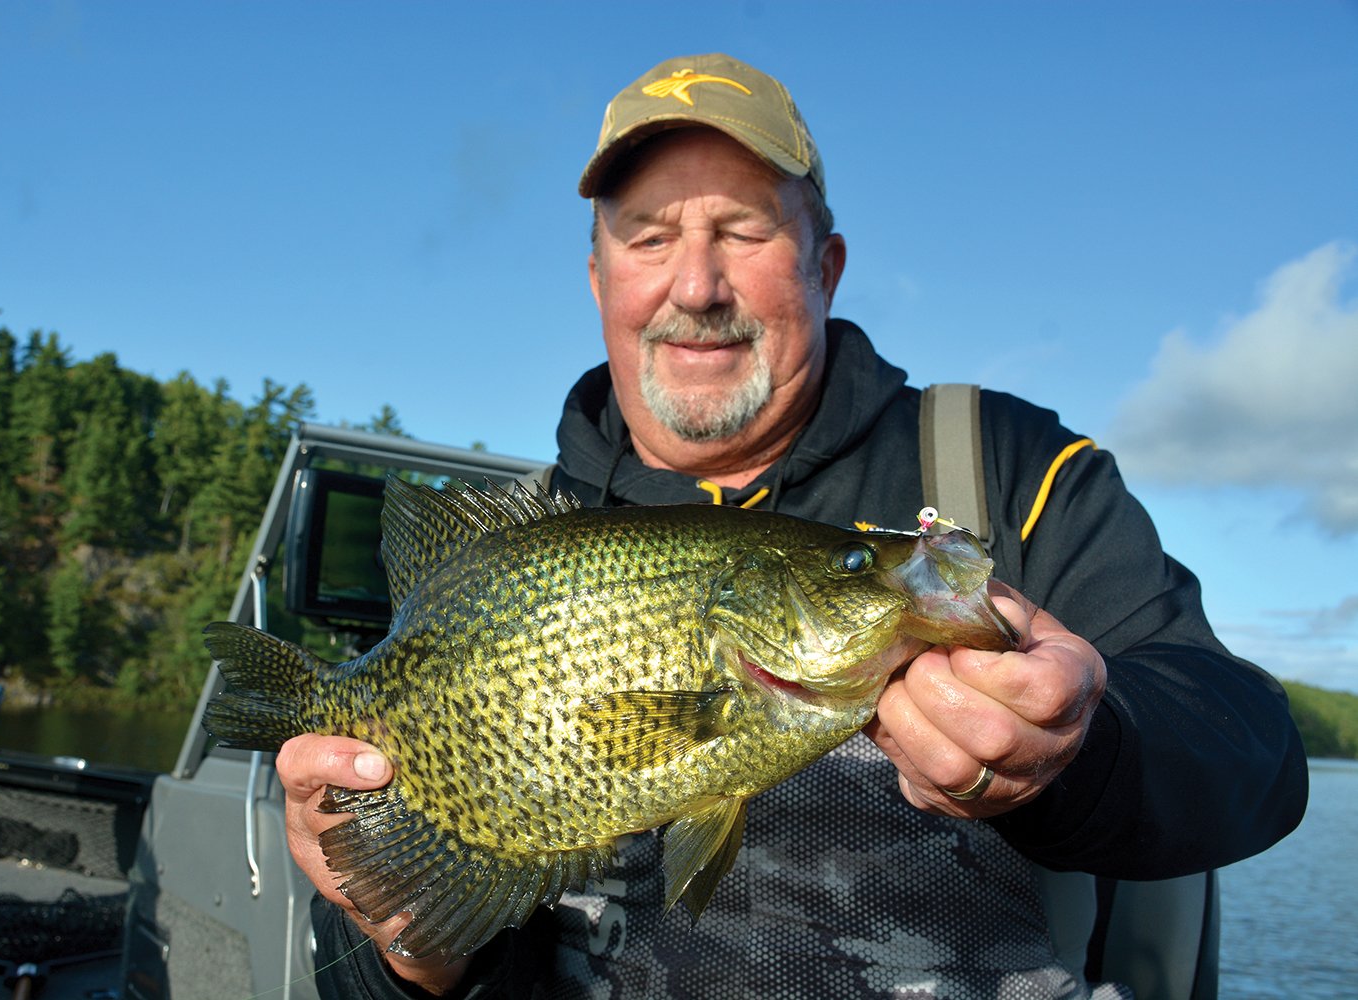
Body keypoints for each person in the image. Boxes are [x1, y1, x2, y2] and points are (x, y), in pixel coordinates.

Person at [278, 54, 1308, 998]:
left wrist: (1082, 744)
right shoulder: (522, 538)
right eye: (649, 237)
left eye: (743, 230)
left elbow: (1253, 749)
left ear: (826, 264)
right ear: (599, 278)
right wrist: (411, 946)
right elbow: (397, 973)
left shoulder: (1003, 465)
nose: (696, 286)